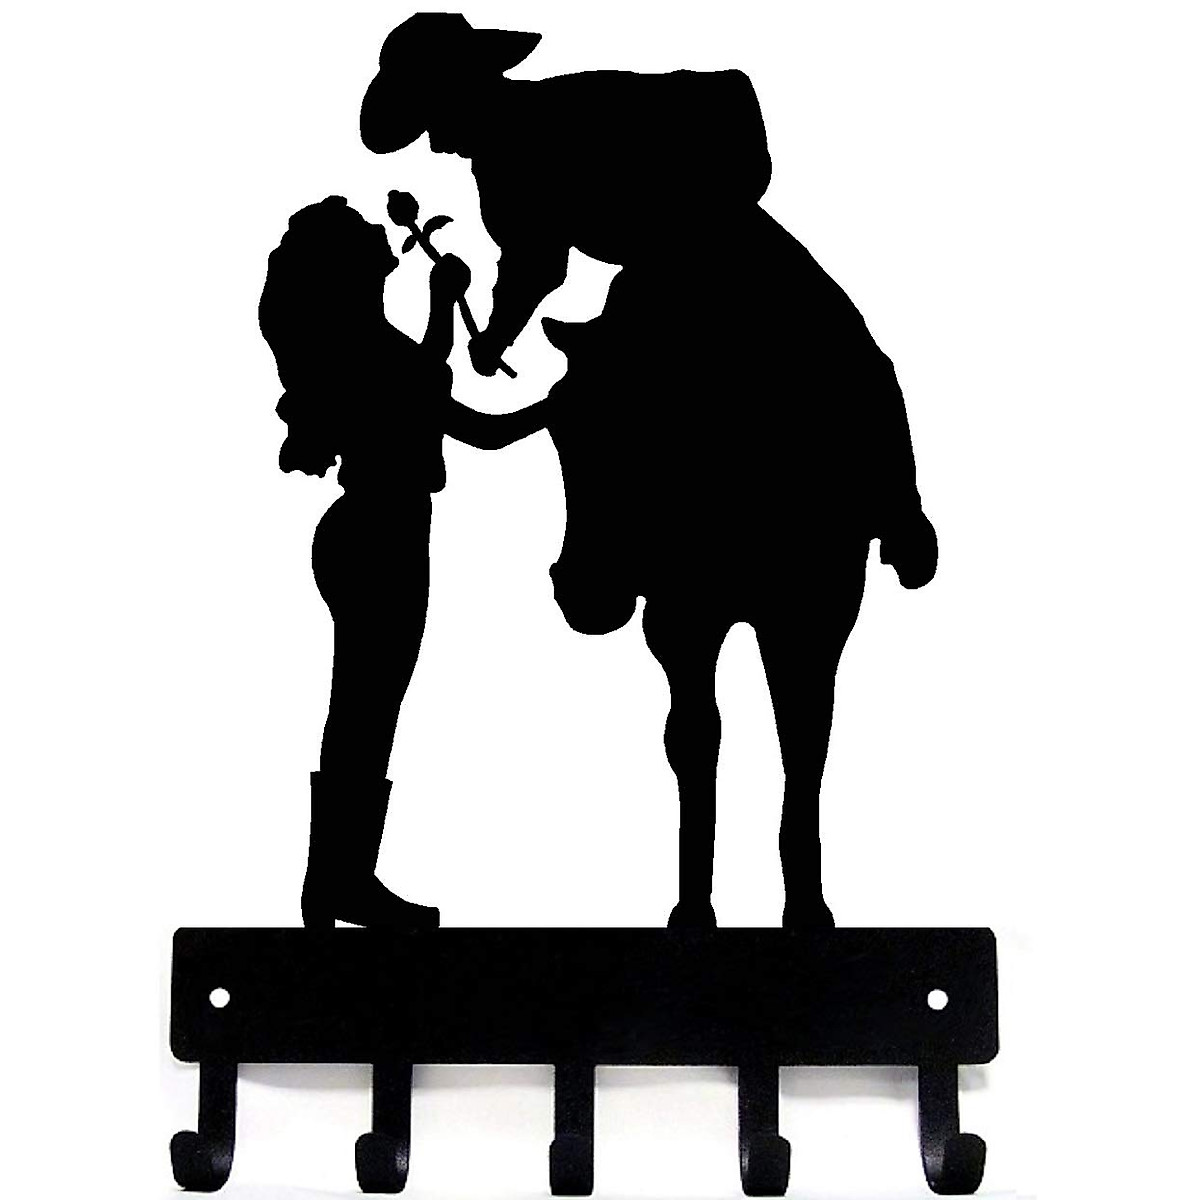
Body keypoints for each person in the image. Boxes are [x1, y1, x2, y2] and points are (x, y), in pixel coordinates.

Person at [361, 16, 938, 930]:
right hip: (659, 283)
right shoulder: (510, 153)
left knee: (848, 355)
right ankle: (613, 554)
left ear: (467, 89)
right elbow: (536, 265)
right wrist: (502, 327)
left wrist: (499, 330)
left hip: (720, 250)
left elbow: (537, 262)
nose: (437, 142)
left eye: (436, 118)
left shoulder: (535, 133)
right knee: (603, 405)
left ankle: (898, 508)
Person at [259, 195, 554, 929]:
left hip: (379, 530)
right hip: (378, 531)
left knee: (366, 711)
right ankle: (339, 879)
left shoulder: (373, 347)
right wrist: (444, 303)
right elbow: (439, 399)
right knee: (363, 710)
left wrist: (443, 307)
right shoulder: (362, 351)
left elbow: (446, 403)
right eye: (366, 237)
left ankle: (338, 877)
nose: (380, 237)